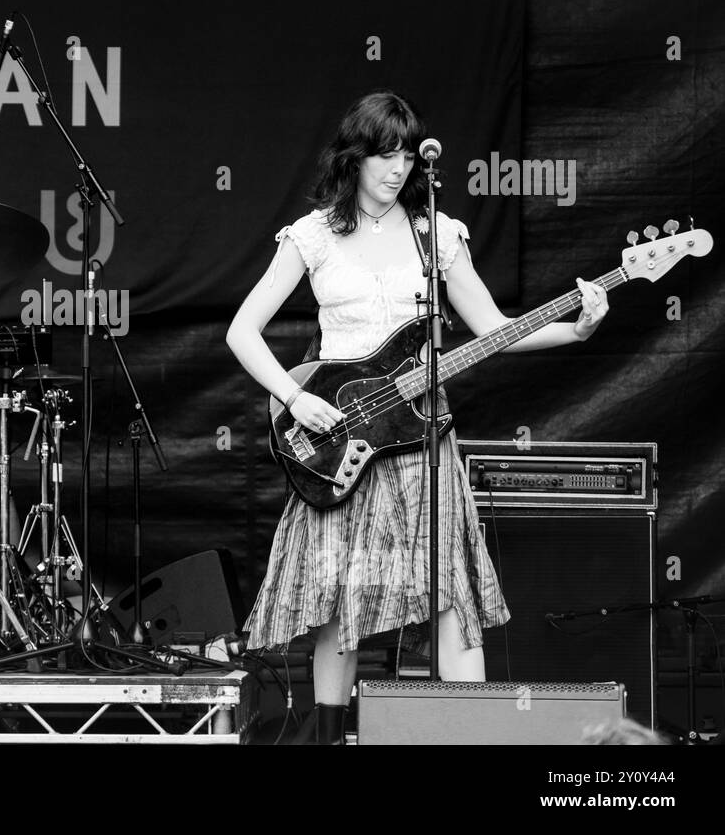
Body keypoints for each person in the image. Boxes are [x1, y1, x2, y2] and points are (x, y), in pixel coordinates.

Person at [226, 90, 610, 744]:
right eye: (384, 154)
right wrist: (294, 397)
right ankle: (327, 739)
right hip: (341, 438)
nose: (397, 168)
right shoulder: (314, 234)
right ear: (356, 155)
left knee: (451, 599)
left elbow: (494, 329)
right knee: (336, 608)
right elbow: (242, 330)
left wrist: (575, 331)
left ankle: (476, 741)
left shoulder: (438, 231)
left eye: (406, 155)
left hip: (420, 441)